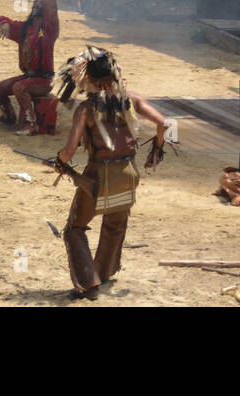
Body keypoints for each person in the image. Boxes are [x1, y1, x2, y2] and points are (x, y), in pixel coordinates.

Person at [55, 46, 168, 300]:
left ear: (90, 81)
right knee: (115, 225)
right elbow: (164, 123)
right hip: (128, 173)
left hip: (98, 177)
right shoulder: (133, 100)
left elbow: (69, 151)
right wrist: (157, 150)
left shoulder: (86, 110)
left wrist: (59, 162)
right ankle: (102, 274)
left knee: (75, 228)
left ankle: (90, 283)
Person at [0, 0, 59, 134]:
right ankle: (8, 116)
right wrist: (4, 25)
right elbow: (1, 19)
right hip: (28, 76)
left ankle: (31, 124)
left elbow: (52, 11)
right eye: (35, 5)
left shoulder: (49, 30)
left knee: (19, 87)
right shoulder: (25, 29)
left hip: (43, 80)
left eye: (40, 6)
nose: (36, 8)